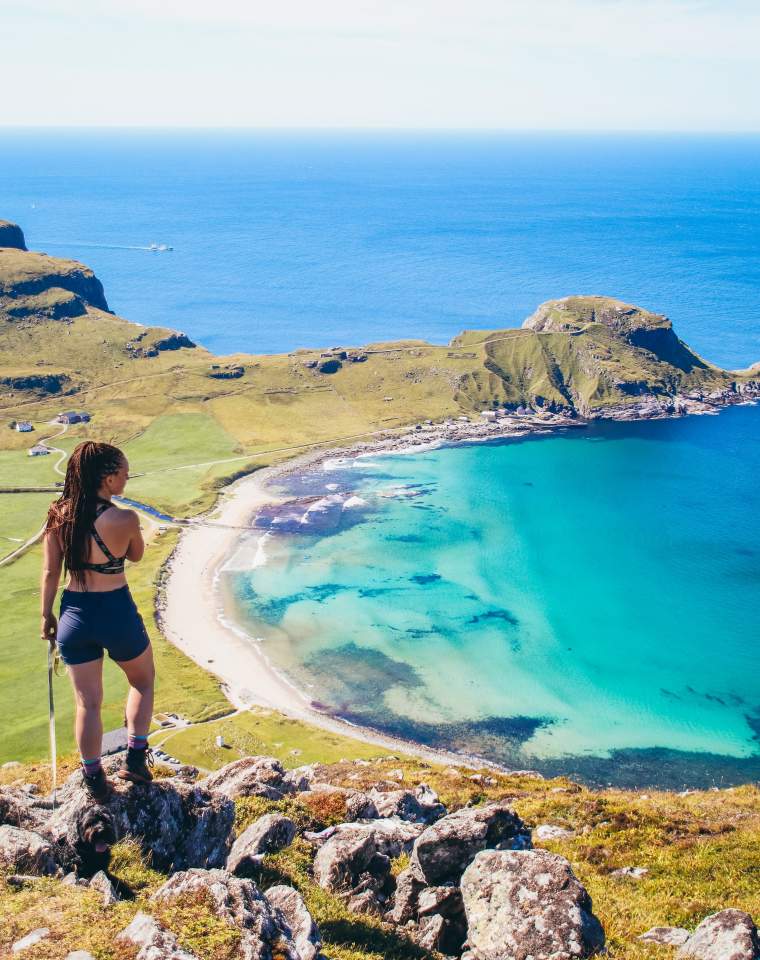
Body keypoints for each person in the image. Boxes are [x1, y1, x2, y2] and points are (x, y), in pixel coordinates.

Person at [40, 441, 156, 802]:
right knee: (142, 680)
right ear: (107, 478)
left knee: (87, 703)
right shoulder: (124, 518)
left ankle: (93, 778)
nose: (126, 477)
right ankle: (135, 759)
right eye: (123, 472)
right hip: (115, 610)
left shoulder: (58, 515)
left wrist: (46, 615)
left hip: (74, 612)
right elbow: (135, 555)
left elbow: (49, 571)